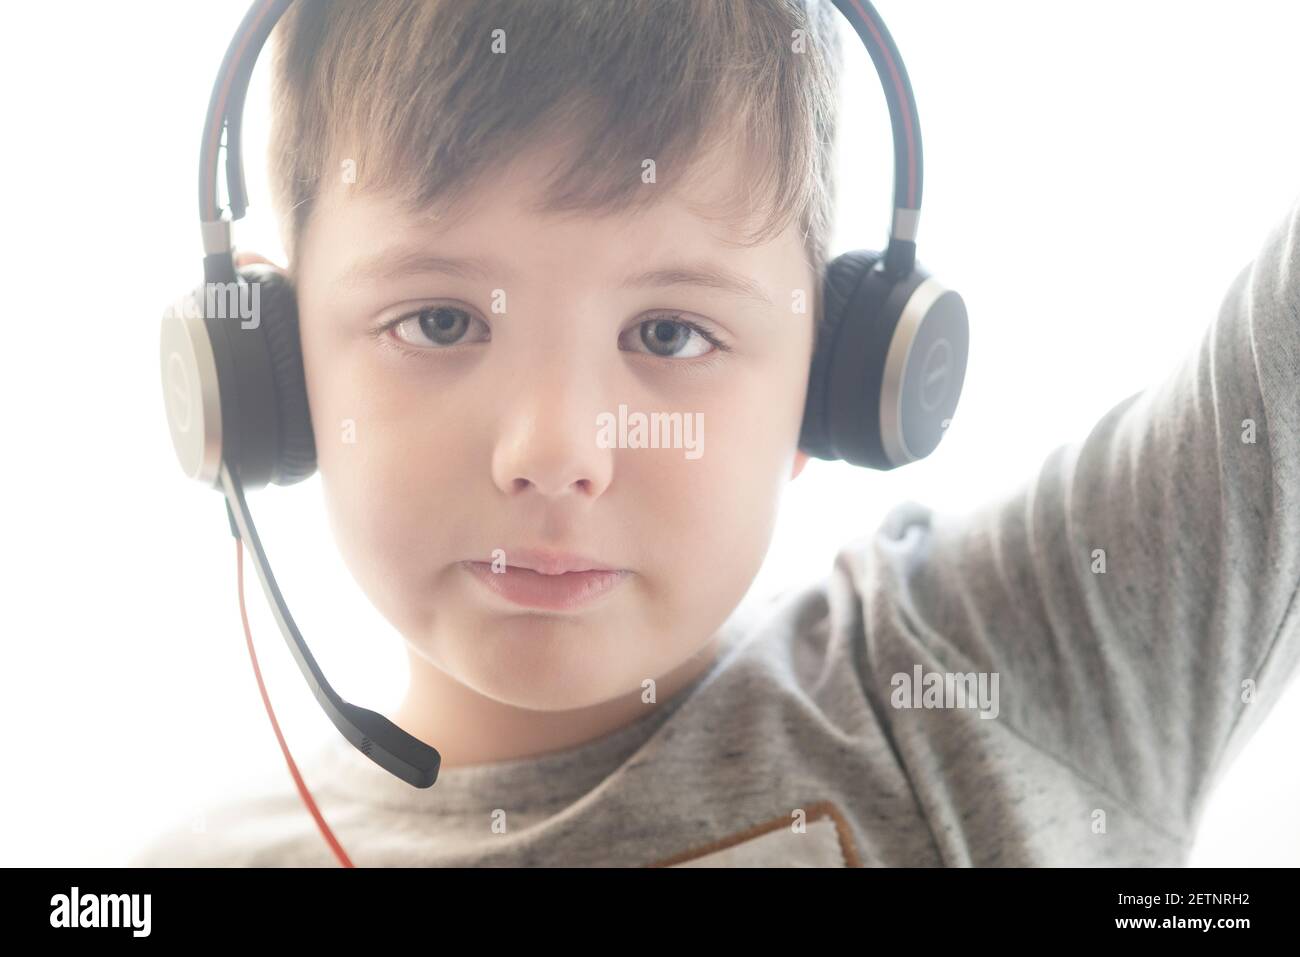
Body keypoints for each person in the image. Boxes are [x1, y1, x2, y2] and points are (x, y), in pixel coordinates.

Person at [132, 0, 1300, 866]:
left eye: (671, 335)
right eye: (438, 320)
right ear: (267, 371)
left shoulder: (996, 678)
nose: (555, 451)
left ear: (832, 382)